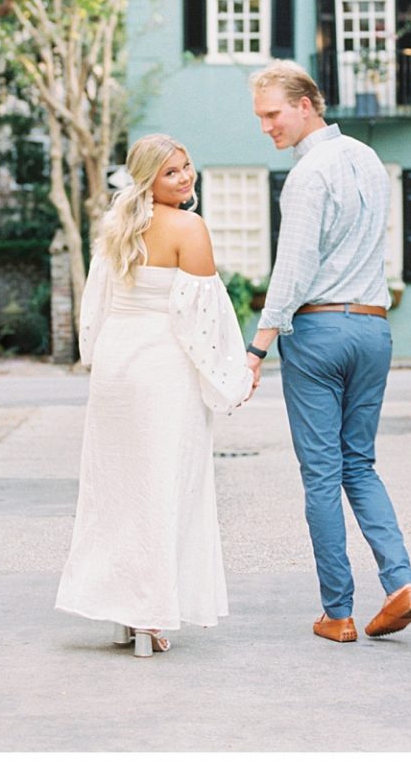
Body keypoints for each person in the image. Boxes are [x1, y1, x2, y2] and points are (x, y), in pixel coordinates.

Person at [244, 60, 411, 643]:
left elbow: (293, 271)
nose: (267, 127)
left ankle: (339, 612)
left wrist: (257, 348)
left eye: (272, 114)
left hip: (319, 333)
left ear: (305, 104)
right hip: (373, 329)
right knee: (360, 464)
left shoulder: (306, 175)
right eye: (261, 117)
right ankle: (401, 583)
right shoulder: (370, 162)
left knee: (322, 474)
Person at [55, 134, 252, 658]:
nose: (185, 178)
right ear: (148, 180)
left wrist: (95, 354)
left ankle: (124, 613)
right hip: (164, 370)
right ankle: (151, 615)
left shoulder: (116, 226)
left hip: (118, 368)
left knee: (118, 491)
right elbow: (201, 320)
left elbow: (96, 302)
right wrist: (231, 377)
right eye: (171, 172)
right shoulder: (190, 227)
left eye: (187, 167)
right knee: (164, 490)